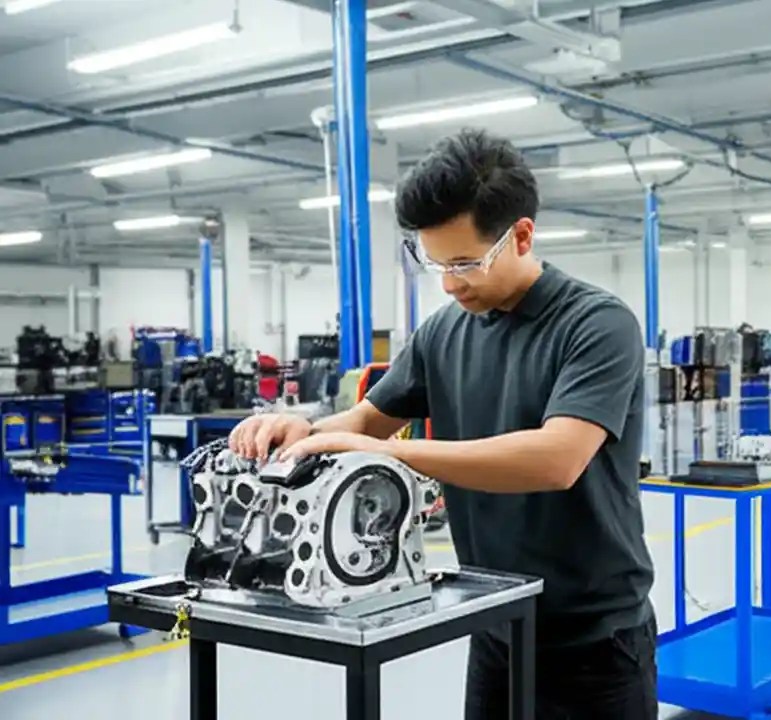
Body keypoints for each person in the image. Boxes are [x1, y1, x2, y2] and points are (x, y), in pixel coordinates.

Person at [226, 129, 657, 719]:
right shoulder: (442, 332)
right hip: (494, 618)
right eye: (435, 264)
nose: (451, 284)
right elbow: (368, 419)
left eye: (465, 263)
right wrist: (306, 429)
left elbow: (557, 459)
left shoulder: (596, 325)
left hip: (592, 637)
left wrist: (397, 454)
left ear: (522, 236)